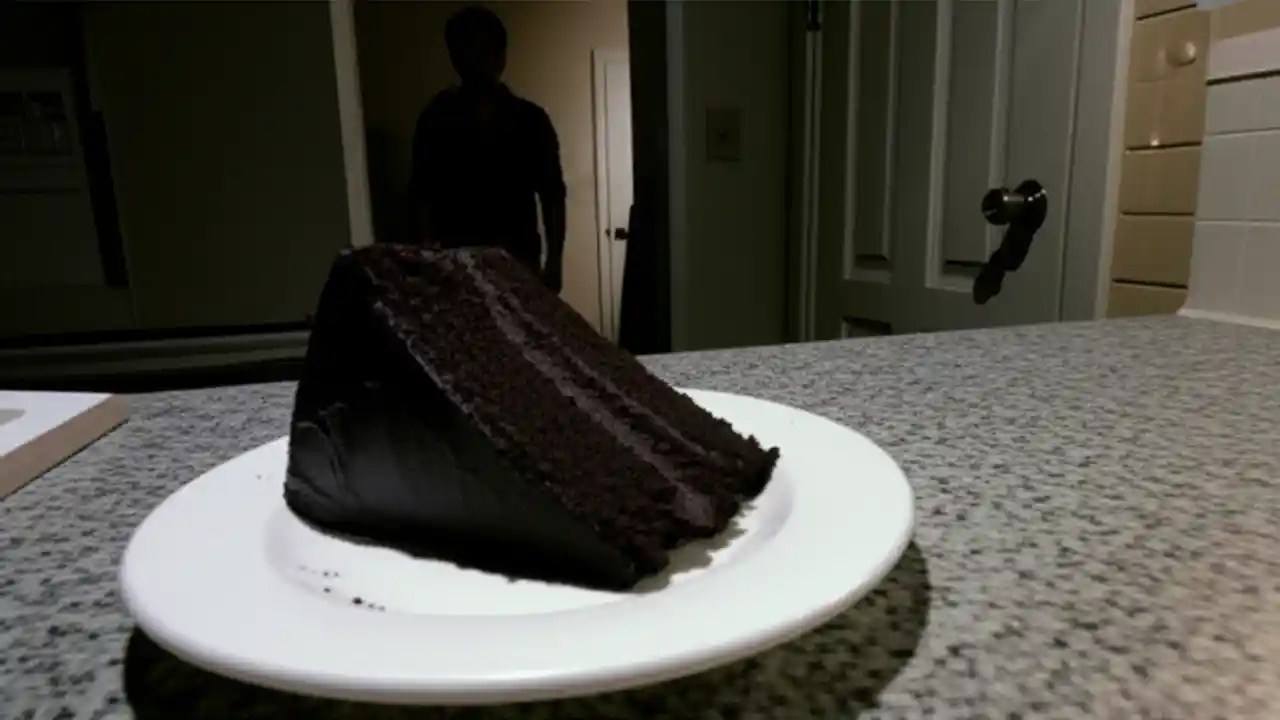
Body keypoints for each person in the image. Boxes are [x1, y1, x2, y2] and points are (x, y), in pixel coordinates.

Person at [407, 6, 567, 293]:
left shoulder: (530, 120)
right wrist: (428, 259)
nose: (472, 60)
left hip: (517, 258)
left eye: (482, 50)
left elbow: (553, 194)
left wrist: (555, 263)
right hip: (456, 262)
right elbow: (422, 193)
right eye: (462, 50)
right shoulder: (437, 117)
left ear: (500, 55)